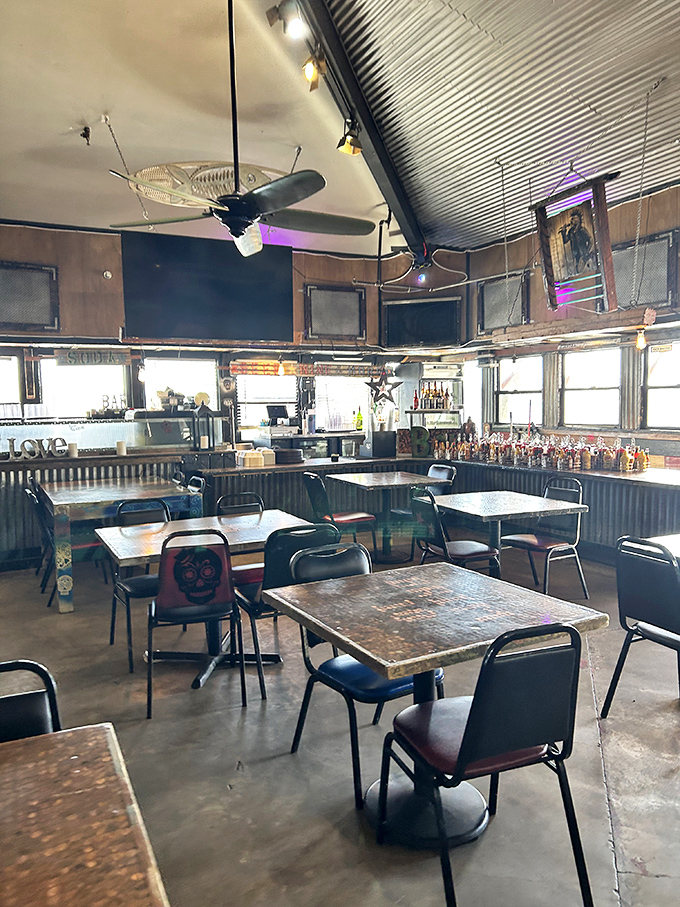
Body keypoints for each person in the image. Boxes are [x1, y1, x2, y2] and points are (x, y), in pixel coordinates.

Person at [559, 208, 594, 274]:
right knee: (577, 271)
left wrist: (587, 251)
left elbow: (590, 239)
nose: (571, 221)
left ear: (577, 220)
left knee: (584, 270)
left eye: (573, 219)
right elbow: (565, 241)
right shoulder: (571, 231)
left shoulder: (582, 230)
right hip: (575, 255)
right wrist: (563, 232)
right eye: (571, 219)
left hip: (583, 254)